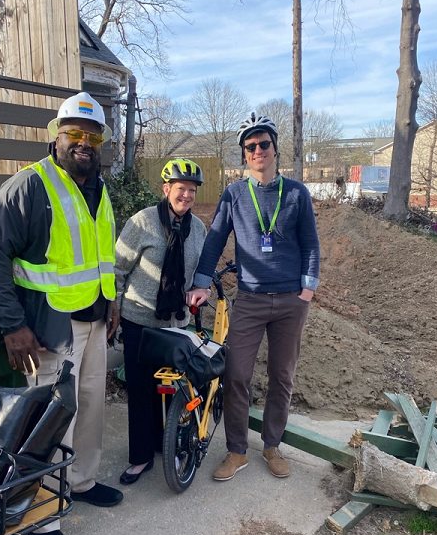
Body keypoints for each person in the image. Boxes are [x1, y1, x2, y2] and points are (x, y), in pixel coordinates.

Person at [0, 91, 122, 535]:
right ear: (56, 136)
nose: (84, 142)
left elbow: (102, 257)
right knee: (49, 423)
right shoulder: (29, 185)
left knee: (92, 409)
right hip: (48, 329)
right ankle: (41, 516)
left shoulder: (99, 188)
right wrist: (11, 326)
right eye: (75, 133)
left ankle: (80, 482)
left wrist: (112, 300)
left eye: (92, 135)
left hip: (95, 320)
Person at [188, 112, 320, 481]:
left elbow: (310, 243)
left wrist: (307, 289)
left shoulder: (296, 193)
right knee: (237, 375)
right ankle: (236, 451)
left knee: (281, 376)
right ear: (244, 155)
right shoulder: (234, 194)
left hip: (291, 302)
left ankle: (272, 446)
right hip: (249, 300)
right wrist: (200, 282)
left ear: (275, 149)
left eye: (264, 144)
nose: (258, 150)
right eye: (251, 146)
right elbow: (215, 240)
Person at [115, 159, 207, 484]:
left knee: (167, 390)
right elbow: (118, 268)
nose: (186, 196)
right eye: (181, 189)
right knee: (140, 389)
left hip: (174, 324)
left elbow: (197, 275)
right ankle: (140, 458)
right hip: (138, 320)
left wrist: (200, 289)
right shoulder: (142, 222)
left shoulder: (198, 229)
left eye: (192, 191)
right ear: (166, 189)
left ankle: (161, 445)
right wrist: (114, 310)